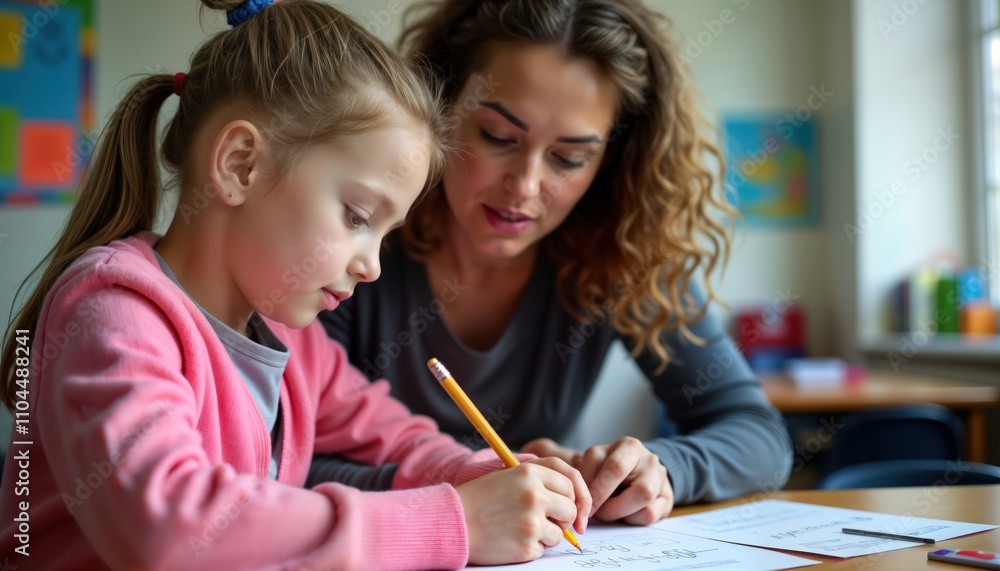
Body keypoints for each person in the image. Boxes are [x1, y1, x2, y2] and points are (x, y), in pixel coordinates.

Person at [0, 1, 591, 569]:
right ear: (240, 164)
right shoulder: (117, 313)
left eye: (384, 235)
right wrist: (453, 521)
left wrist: (480, 473)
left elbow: (395, 436)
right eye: (357, 217)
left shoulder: (293, 342)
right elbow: (166, 526)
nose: (372, 267)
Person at [313, 0, 793, 525]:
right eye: (499, 137)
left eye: (569, 158)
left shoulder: (619, 254)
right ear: (440, 108)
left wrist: (662, 471)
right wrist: (462, 492)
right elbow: (277, 462)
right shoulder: (353, 243)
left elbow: (760, 438)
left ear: (608, 163)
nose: (524, 186)